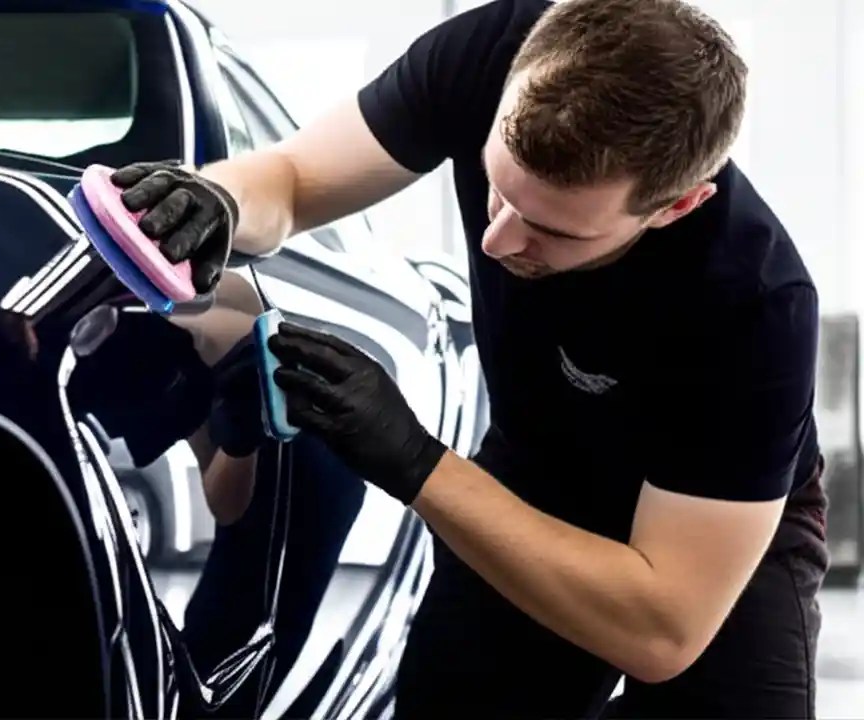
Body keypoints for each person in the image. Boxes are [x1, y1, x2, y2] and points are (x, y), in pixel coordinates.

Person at [109, 0, 829, 716]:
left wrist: (414, 461)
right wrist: (221, 199)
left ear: (674, 207)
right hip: (535, 472)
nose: (497, 242)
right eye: (496, 188)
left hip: (714, 534)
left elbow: (661, 628)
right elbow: (295, 179)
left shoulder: (755, 303)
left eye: (551, 230)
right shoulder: (499, 54)